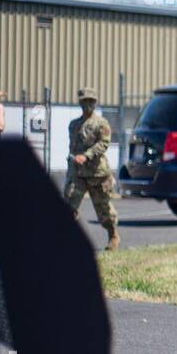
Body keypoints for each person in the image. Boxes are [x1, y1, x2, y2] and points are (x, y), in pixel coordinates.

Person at [64, 86, 119, 250]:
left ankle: (113, 235)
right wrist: (72, 161)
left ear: (95, 103)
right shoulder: (74, 125)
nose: (87, 104)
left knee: (104, 209)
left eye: (90, 101)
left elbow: (103, 143)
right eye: (84, 101)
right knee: (69, 205)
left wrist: (86, 155)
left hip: (97, 174)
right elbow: (72, 147)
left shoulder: (101, 124)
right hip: (77, 174)